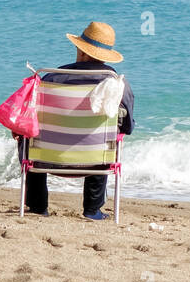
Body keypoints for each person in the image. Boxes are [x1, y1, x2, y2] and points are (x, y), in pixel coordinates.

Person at [22, 21, 135, 221]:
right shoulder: (116, 83)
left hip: (48, 158)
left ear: (81, 51)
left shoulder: (51, 78)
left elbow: (30, 114)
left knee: (26, 136)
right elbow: (128, 127)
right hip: (95, 161)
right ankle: (92, 209)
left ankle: (38, 206)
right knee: (107, 134)